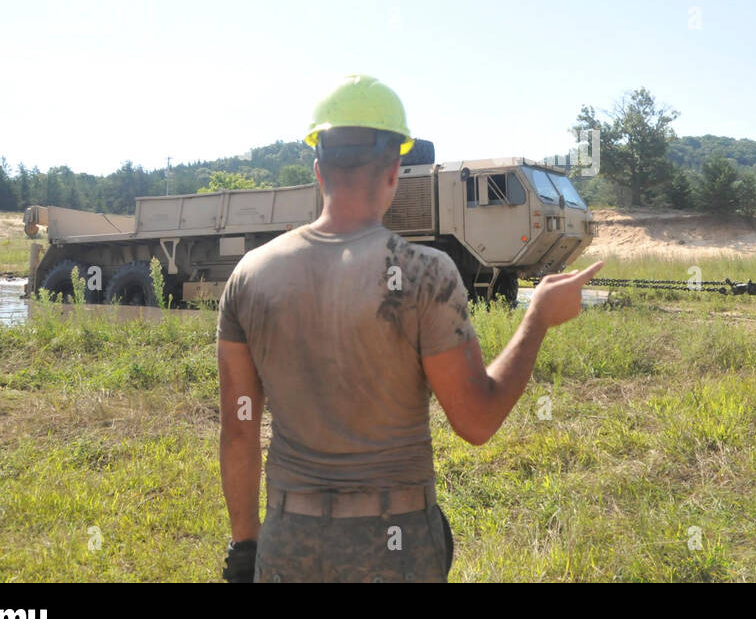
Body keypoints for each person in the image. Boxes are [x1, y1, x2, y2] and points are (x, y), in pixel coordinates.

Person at [217, 75, 602, 583]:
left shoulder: (250, 275)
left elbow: (239, 430)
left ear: (318, 171)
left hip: (290, 540)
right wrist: (537, 319)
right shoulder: (424, 273)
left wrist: (245, 548)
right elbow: (477, 421)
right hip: (395, 543)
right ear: (395, 172)